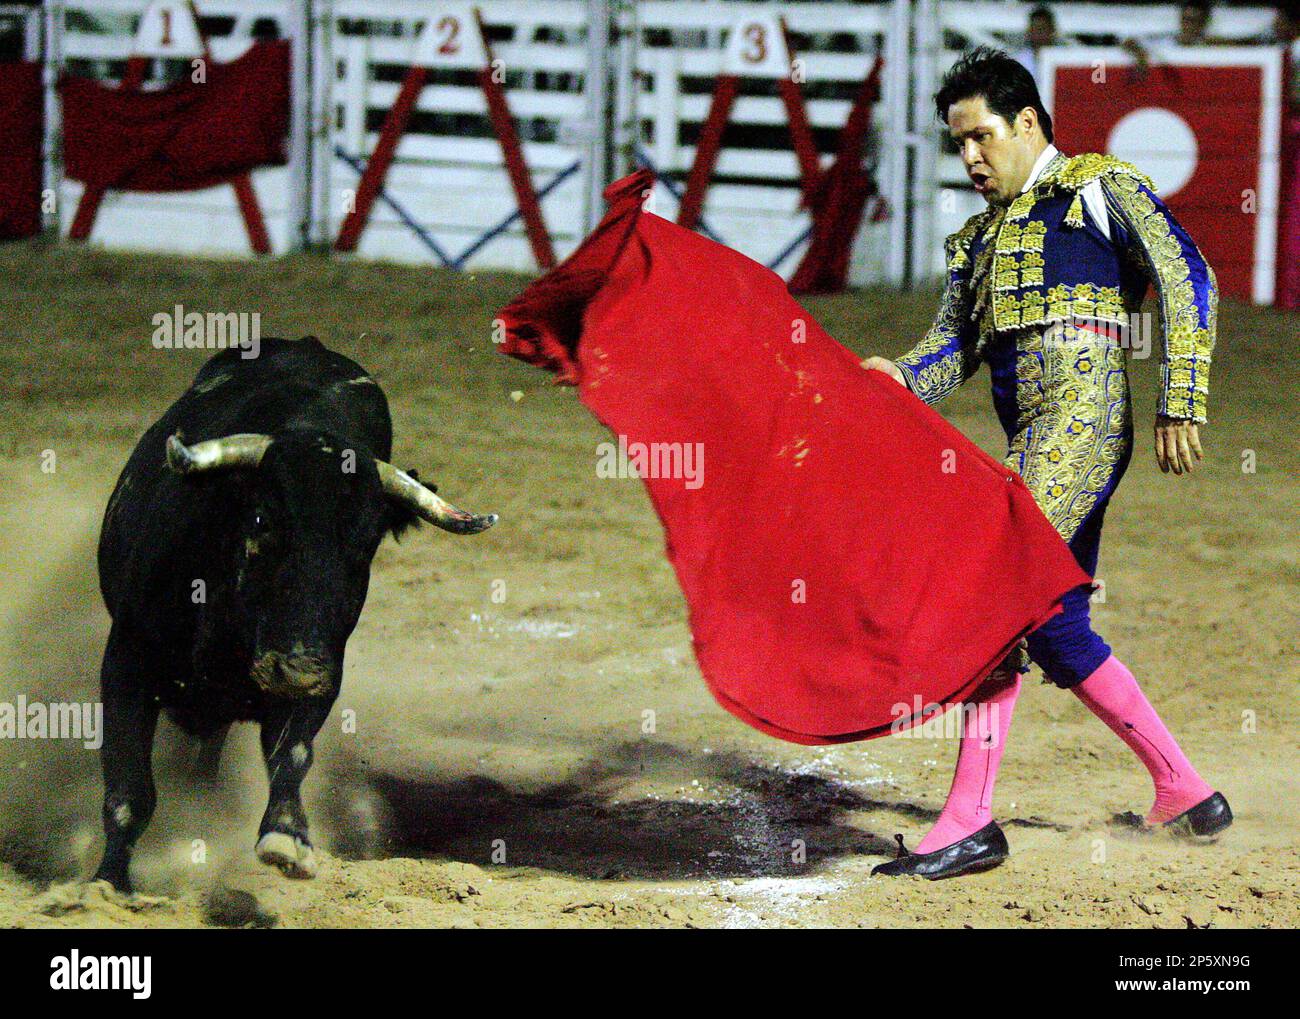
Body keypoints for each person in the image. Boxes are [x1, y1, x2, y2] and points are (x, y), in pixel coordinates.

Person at [862, 47, 1231, 880]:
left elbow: (1186, 274)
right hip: (1031, 434)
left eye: (981, 137)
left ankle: (968, 820)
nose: (969, 159)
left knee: (995, 585)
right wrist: (898, 379)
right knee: (1052, 622)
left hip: (1085, 420)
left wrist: (1182, 394)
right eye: (958, 144)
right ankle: (1183, 788)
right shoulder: (977, 239)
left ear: (1029, 123)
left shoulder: (1099, 186)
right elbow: (951, 346)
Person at [1012, 5, 1058, 83]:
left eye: (1042, 29)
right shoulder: (1020, 60)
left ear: (1052, 31)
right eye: (1034, 29)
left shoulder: (1062, 59)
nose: (1038, 34)